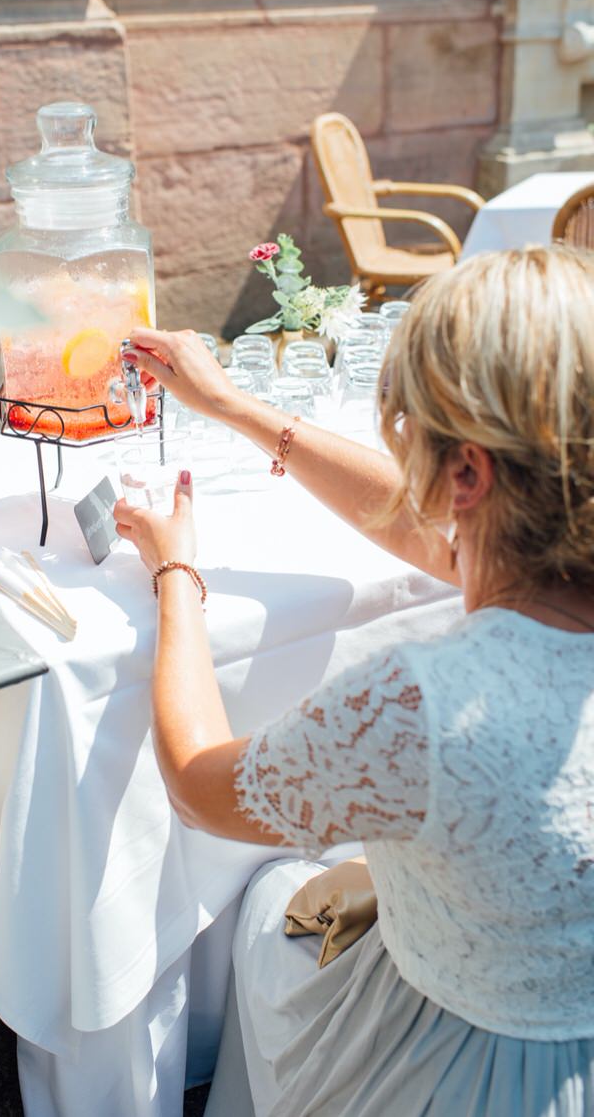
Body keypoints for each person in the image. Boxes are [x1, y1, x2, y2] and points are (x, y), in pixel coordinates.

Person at [110, 245, 594, 1115]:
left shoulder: (428, 706)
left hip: (465, 1069)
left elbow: (196, 786)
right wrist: (235, 407)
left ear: (467, 472)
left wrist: (175, 574)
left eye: (411, 428)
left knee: (269, 900)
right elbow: (439, 542)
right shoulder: (556, 566)